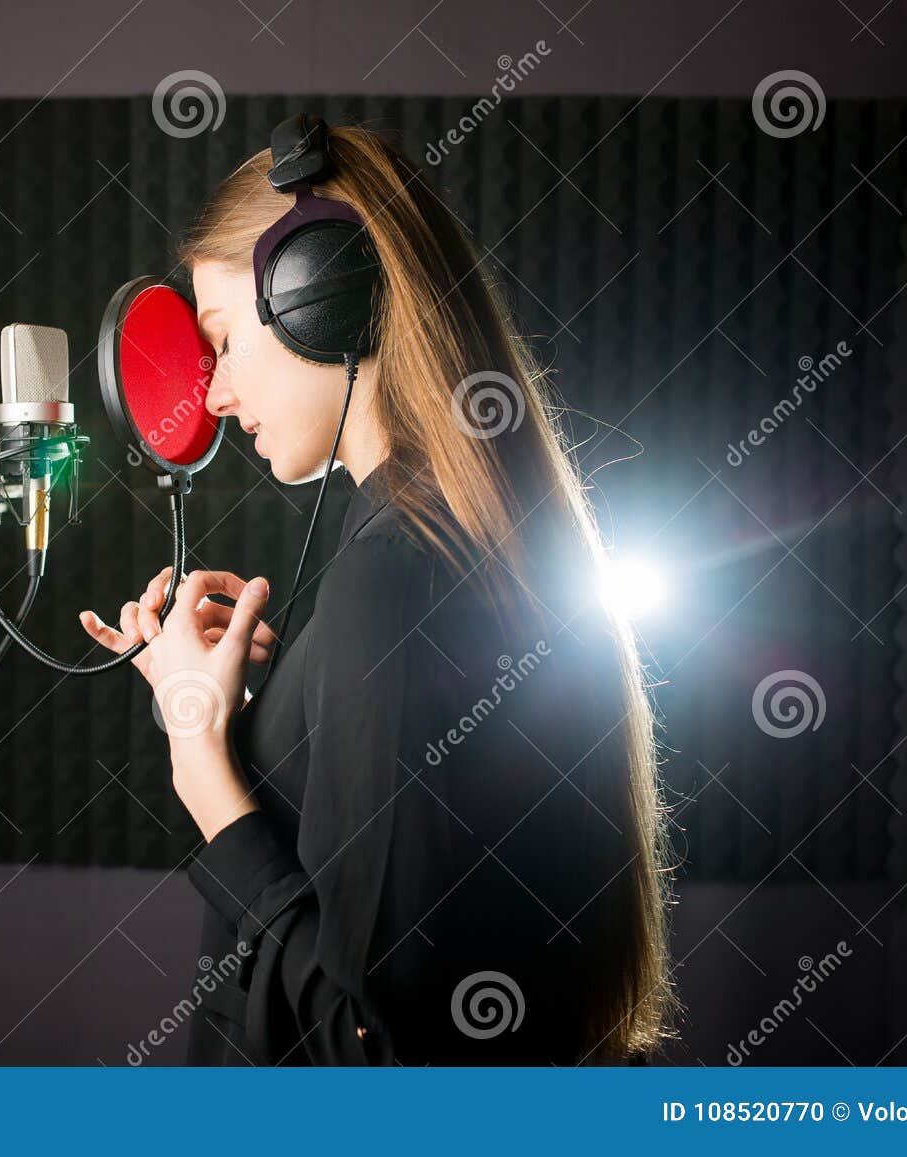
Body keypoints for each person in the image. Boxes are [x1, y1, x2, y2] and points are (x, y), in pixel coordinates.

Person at [79, 118, 674, 1065]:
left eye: (224, 343)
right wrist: (230, 710)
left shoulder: (396, 575)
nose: (217, 397)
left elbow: (379, 1059)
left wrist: (211, 783)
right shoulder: (443, 534)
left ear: (325, 295)